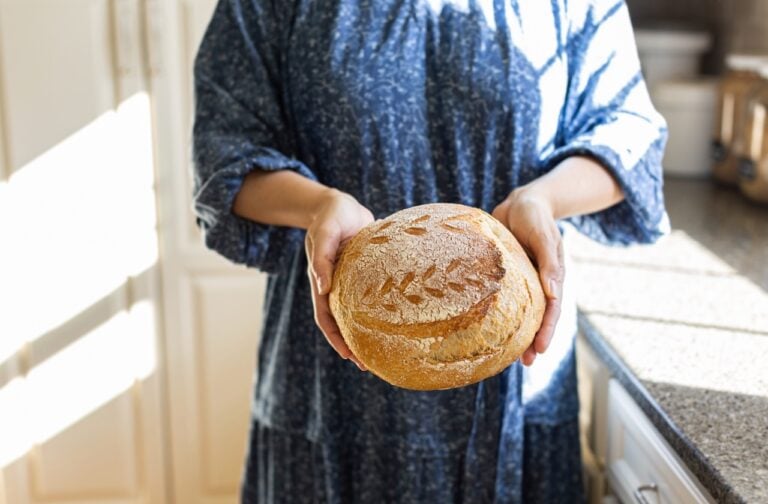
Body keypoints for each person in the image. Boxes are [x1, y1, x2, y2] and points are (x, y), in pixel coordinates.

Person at [192, 0, 667, 502]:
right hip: (332, 369)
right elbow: (222, 153)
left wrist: (542, 199)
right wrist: (318, 206)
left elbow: (629, 136)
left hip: (513, 369)